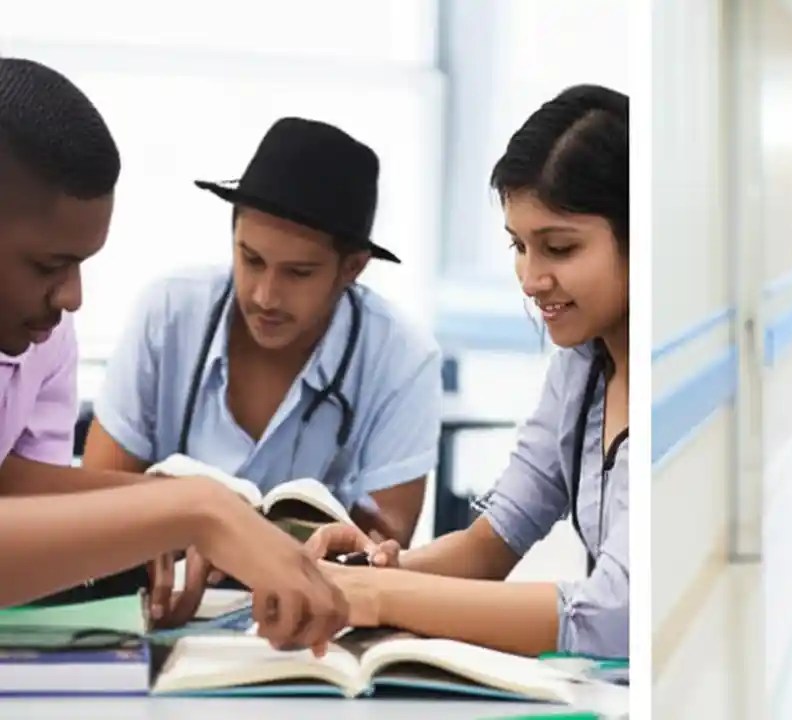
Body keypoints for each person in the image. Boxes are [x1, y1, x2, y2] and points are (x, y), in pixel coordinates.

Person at [0, 57, 347, 651]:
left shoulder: (43, 336)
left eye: (80, 264)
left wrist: (169, 506)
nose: (73, 298)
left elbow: (10, 489)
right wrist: (187, 512)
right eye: (49, 266)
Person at [304, 84, 630, 659]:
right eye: (519, 246)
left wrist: (381, 597)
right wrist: (383, 564)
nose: (530, 279)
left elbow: (611, 617)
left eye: (558, 248)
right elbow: (491, 543)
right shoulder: (577, 374)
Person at [80, 117, 443, 626]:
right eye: (251, 260)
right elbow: (94, 498)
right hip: (155, 614)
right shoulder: (167, 312)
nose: (265, 296)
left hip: (301, 627)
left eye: (298, 273)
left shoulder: (402, 359)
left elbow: (380, 549)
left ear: (352, 269)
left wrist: (250, 541)